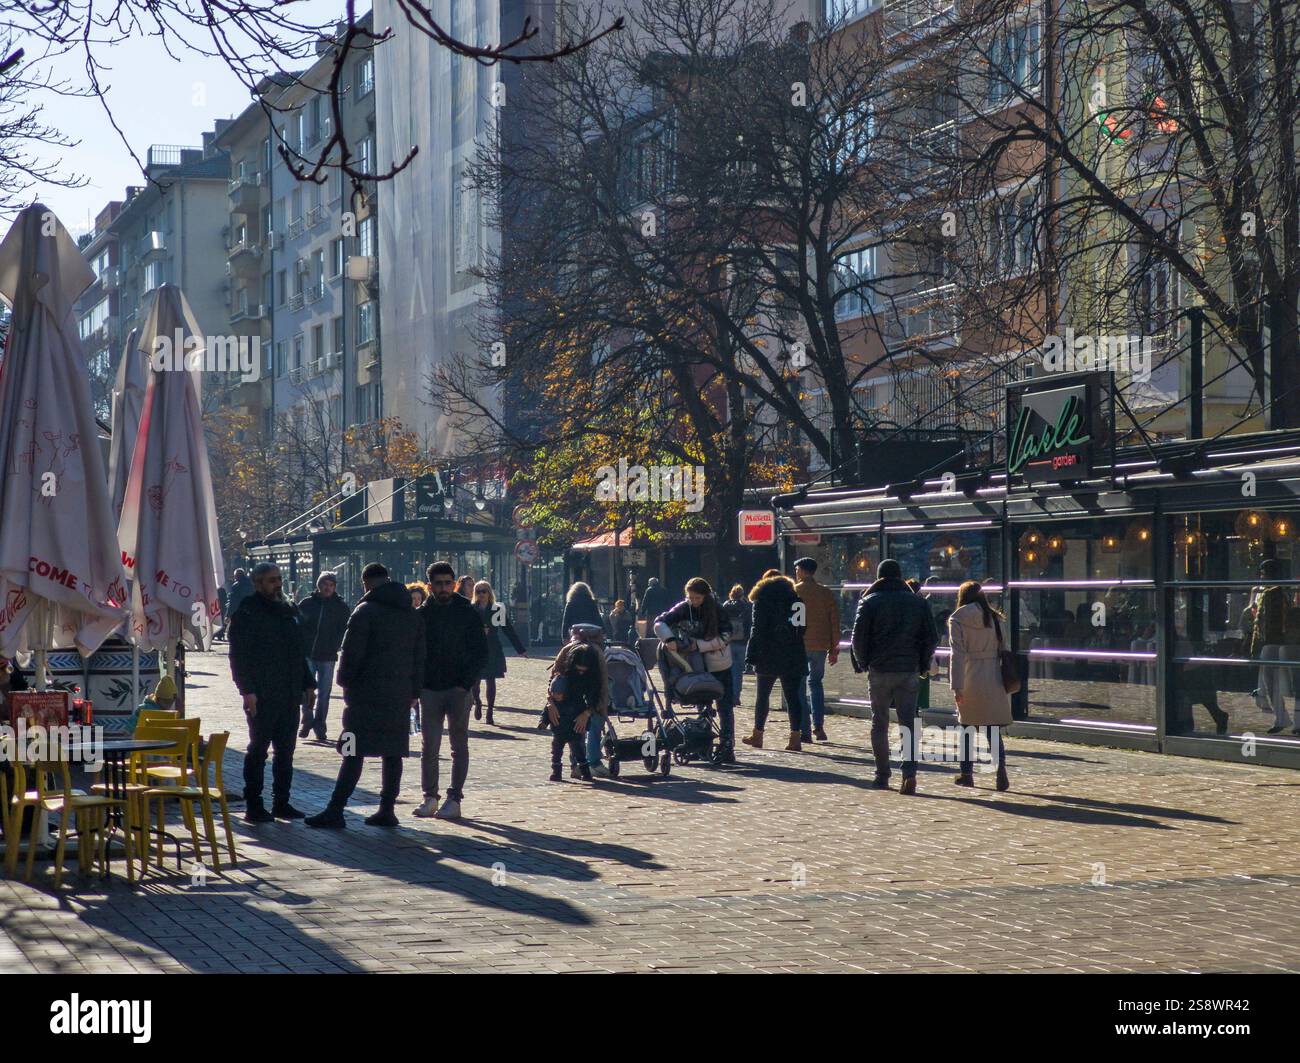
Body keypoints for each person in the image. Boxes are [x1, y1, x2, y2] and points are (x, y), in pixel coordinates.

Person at [306, 564, 425, 829]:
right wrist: (414, 692)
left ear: (365, 583)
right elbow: (420, 658)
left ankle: (335, 809)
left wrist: (344, 682)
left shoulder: (365, 612)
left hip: (364, 695)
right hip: (399, 696)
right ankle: (387, 809)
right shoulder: (412, 614)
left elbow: (351, 654)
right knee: (393, 753)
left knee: (352, 752)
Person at [228, 561, 316, 822]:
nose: (276, 584)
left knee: (286, 751)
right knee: (258, 750)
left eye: (278, 579)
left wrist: (308, 682)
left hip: (289, 692)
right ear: (257, 584)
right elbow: (239, 657)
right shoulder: (248, 612)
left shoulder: (287, 610)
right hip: (262, 694)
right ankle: (253, 803)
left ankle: (282, 802)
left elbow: (297, 651)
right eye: (270, 580)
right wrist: (247, 691)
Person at [852, 559, 939, 795]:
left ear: (879, 577)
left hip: (879, 669)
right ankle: (909, 775)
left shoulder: (869, 602)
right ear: (900, 576)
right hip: (908, 669)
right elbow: (932, 637)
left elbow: (857, 638)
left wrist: (864, 663)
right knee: (908, 724)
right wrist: (922, 663)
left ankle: (882, 775)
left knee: (878, 723)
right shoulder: (917, 602)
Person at [415, 561, 489, 820]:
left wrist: (466, 682)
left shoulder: (467, 613)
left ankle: (454, 798)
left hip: (458, 689)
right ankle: (430, 797)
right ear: (430, 585)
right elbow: (416, 653)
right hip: (430, 689)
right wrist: (418, 686)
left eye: (448, 582)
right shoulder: (423, 614)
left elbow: (481, 651)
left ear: (454, 583)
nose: (444, 587)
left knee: (459, 746)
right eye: (439, 583)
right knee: (429, 746)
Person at [655, 577, 737, 763]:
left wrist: (698, 645)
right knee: (702, 702)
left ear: (705, 596)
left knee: (724, 705)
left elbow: (726, 636)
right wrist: (669, 640)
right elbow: (660, 622)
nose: (693, 601)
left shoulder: (717, 610)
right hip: (695, 664)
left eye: (697, 598)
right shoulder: (684, 608)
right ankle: (701, 740)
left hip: (718, 663)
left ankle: (727, 744)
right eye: (690, 597)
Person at [948, 581, 1011, 791]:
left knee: (966, 728)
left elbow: (956, 655)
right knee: (992, 728)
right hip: (993, 676)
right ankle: (1000, 769)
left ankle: (967, 774)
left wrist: (956, 686)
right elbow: (1005, 648)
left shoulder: (957, 618)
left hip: (969, 677)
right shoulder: (994, 617)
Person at [742, 569, 808, 752]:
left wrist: (751, 654)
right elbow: (802, 629)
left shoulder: (761, 602)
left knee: (762, 696)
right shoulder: (797, 601)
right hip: (793, 653)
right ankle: (795, 738)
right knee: (793, 697)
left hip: (767, 653)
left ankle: (758, 735)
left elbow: (757, 630)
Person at [296, 571, 351, 740]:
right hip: (308, 653)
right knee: (306, 689)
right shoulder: (307, 603)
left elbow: (345, 629)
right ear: (319, 586)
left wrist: (336, 644)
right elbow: (298, 625)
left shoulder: (340, 607)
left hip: (327, 655)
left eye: (331, 585)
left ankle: (320, 725)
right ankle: (307, 719)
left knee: (324, 693)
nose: (328, 588)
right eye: (325, 584)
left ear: (334, 587)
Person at [793, 558, 841, 742]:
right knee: (816, 683)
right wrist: (834, 647)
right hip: (820, 646)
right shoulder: (825, 592)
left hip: (799, 645)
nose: (796, 572)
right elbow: (834, 621)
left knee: (799, 686)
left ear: (803, 571)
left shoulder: (795, 591)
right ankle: (818, 726)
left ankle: (804, 730)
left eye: (797, 569)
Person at [1250, 559, 1297, 734]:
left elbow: (1267, 623)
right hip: (1273, 641)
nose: (1262, 578)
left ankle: (1282, 716)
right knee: (1271, 681)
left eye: (1263, 574)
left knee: (1271, 680)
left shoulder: (1273, 593)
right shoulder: (1275, 592)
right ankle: (1282, 716)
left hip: (1273, 641)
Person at [471, 580, 526, 724]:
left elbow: (508, 630)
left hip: (492, 648)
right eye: (478, 591)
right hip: (475, 649)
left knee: (491, 680)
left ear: (489, 593)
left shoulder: (497, 609)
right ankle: (477, 701)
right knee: (474, 683)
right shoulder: (471, 609)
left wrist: (520, 649)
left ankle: (489, 711)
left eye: (484, 591)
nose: (481, 594)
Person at [545, 643, 601, 781]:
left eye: (584, 670)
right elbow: (552, 686)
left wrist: (587, 713)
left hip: (581, 707)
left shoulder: (596, 671)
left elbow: (598, 695)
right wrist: (551, 703)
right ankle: (569, 768)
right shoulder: (563, 666)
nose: (581, 672)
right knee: (557, 748)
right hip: (564, 709)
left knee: (579, 741)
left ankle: (584, 768)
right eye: (578, 669)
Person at [721, 584, 752, 706]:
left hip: (728, 642)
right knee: (738, 671)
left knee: (728, 670)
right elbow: (750, 623)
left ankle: (728, 694)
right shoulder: (747, 606)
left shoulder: (726, 605)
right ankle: (736, 696)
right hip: (742, 643)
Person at [219, 568, 253, 640]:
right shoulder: (252, 584)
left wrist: (228, 615)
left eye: (235, 576)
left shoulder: (236, 586)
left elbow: (233, 602)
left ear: (237, 576)